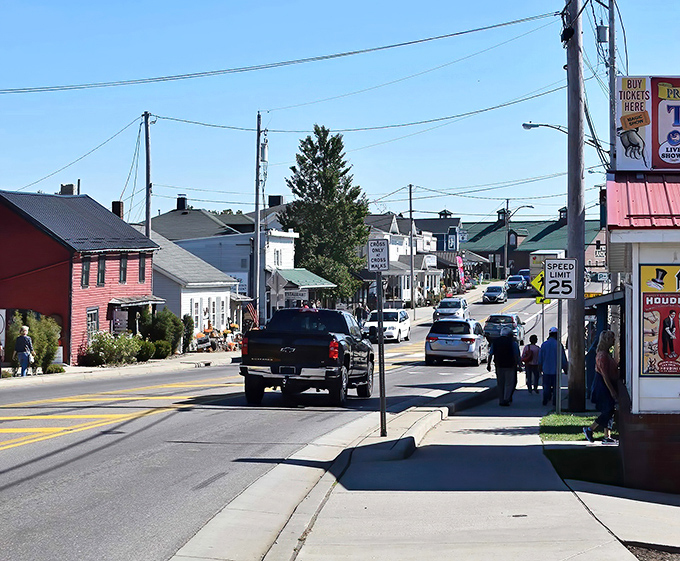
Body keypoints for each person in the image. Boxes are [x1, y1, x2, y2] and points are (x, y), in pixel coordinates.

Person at [584, 330, 619, 444]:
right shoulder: (602, 356)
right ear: (607, 341)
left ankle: (606, 437)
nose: (614, 341)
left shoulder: (605, 354)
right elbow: (605, 375)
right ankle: (590, 429)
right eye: (612, 339)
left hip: (605, 385)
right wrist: (612, 391)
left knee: (609, 410)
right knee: (608, 410)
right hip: (603, 386)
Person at [487, 326, 522, 406]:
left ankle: (501, 399)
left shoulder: (495, 342)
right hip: (510, 365)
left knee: (500, 383)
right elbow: (516, 355)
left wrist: (489, 364)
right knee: (509, 383)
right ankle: (506, 399)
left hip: (499, 365)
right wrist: (519, 365)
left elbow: (491, 354)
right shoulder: (513, 343)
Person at [538, 327, 569, 407]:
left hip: (546, 370)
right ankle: (555, 401)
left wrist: (540, 367)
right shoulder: (559, 345)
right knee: (556, 387)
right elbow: (563, 358)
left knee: (546, 386)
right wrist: (565, 369)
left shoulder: (544, 345)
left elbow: (540, 358)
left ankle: (545, 399)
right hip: (556, 370)